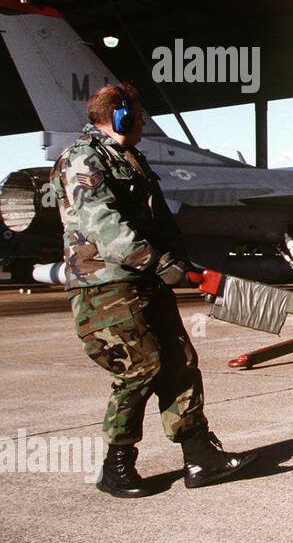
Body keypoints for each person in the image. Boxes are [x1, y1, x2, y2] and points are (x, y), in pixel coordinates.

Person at [50, 83, 256, 497]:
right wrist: (158, 262)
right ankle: (117, 466)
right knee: (139, 368)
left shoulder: (131, 158)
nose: (143, 121)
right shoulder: (81, 159)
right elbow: (103, 226)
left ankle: (200, 455)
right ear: (120, 115)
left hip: (145, 280)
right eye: (138, 114)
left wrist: (182, 264)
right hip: (105, 285)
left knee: (179, 362)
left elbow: (159, 221)